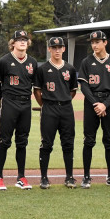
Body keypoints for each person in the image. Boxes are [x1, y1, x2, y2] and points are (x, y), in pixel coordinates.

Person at [77, 29, 110, 187]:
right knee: (89, 140)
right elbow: (83, 86)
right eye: (92, 42)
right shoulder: (86, 62)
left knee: (109, 140)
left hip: (108, 104)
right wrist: (96, 104)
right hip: (91, 104)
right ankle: (86, 177)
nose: (94, 45)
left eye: (97, 42)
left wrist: (105, 104)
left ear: (105, 42)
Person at [0, 30, 39, 190]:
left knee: (22, 142)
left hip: (25, 104)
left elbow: (35, 86)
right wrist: (6, 99)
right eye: (18, 39)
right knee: (5, 141)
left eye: (25, 39)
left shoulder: (32, 62)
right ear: (12, 43)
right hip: (9, 103)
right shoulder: (4, 61)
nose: (22, 42)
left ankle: (21, 177)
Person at [34, 35, 78, 188]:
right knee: (46, 144)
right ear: (49, 49)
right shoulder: (43, 69)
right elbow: (37, 91)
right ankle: (44, 178)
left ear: (64, 49)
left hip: (66, 108)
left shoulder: (70, 68)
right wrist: (46, 104)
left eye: (60, 47)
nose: (57, 50)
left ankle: (69, 177)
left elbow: (72, 91)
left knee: (68, 143)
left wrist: (63, 100)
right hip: (49, 108)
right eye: (54, 47)